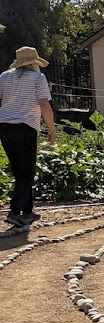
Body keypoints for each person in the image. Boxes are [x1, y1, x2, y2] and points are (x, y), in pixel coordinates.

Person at [0, 46, 57, 229]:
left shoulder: (4, 77)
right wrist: (52, 129)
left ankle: (28, 211)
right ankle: (15, 212)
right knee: (27, 172)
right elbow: (44, 105)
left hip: (5, 128)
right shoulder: (37, 78)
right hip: (26, 127)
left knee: (19, 170)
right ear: (34, 63)